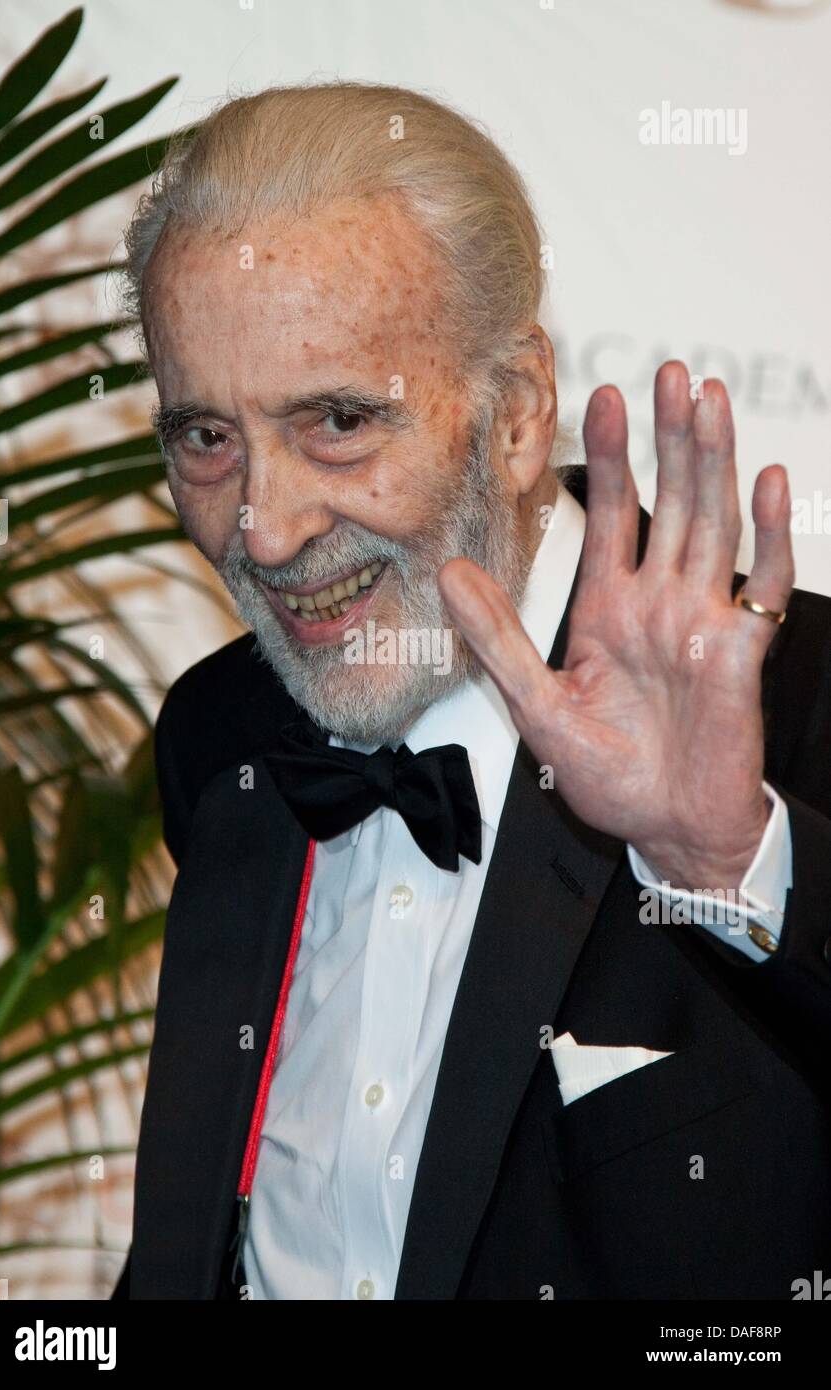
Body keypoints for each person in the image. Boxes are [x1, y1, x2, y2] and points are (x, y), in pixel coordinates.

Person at [111, 81, 831, 1300]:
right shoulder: (218, 733)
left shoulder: (796, 700)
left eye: (338, 419)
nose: (265, 530)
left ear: (512, 413)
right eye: (204, 438)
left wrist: (728, 868)